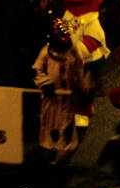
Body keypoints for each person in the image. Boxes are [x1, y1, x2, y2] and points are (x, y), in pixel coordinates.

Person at [33, 17, 93, 163]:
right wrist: (45, 84)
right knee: (49, 122)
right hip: (51, 97)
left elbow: (79, 69)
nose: (65, 41)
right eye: (62, 38)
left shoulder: (73, 52)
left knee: (66, 122)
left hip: (68, 95)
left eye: (66, 38)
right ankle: (48, 146)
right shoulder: (46, 53)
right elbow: (38, 71)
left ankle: (64, 148)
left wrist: (82, 85)